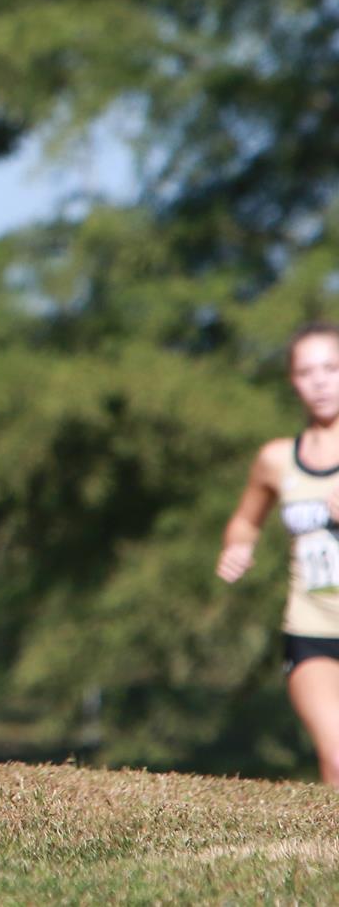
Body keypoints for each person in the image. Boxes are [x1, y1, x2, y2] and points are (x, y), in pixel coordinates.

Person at [217, 320, 339, 785]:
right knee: (337, 759)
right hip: (311, 628)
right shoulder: (276, 459)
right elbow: (246, 519)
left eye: (331, 368)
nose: (321, 381)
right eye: (308, 372)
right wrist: (238, 546)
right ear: (293, 381)